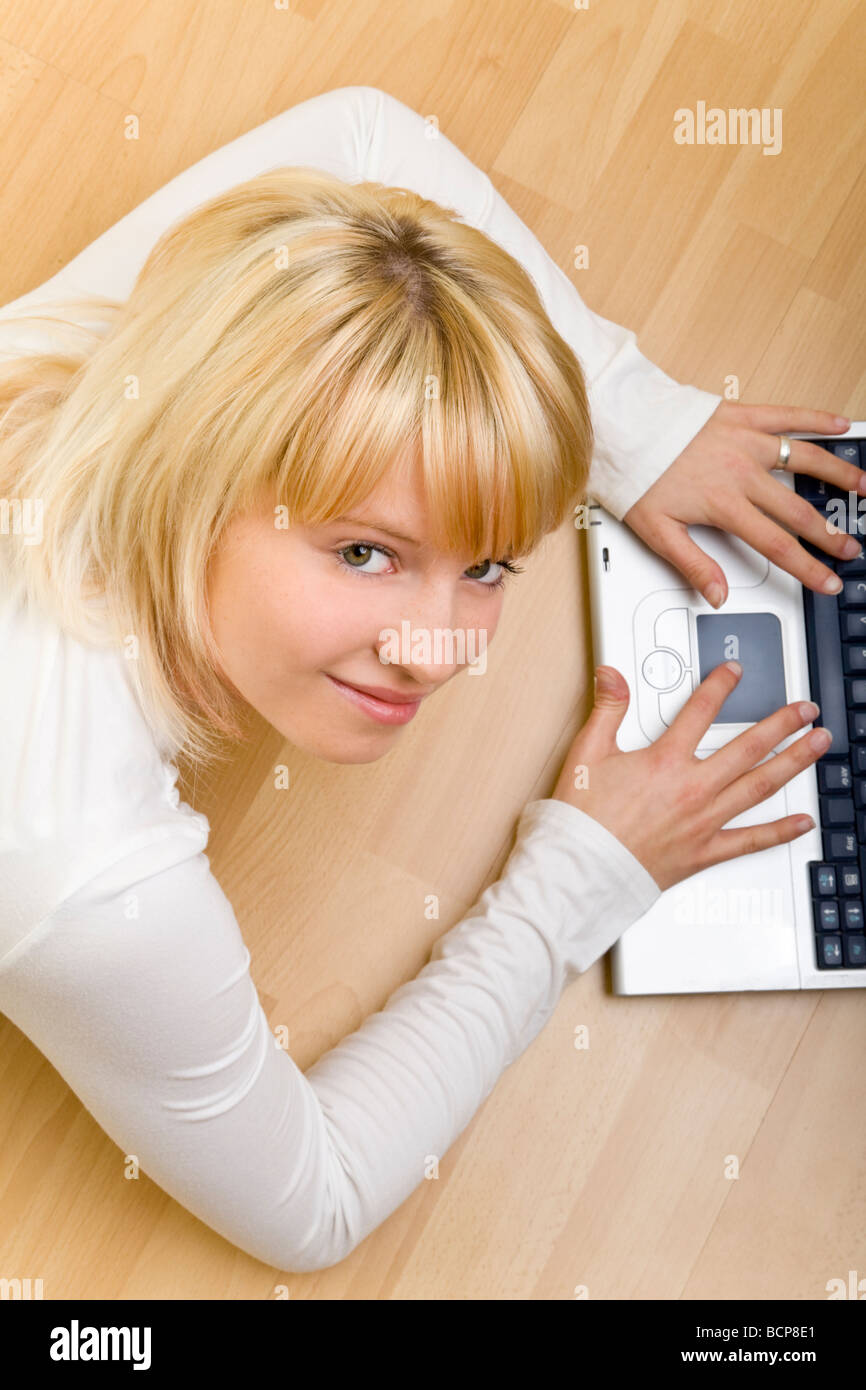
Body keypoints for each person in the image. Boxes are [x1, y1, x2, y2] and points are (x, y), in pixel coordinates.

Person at [0, 86, 854, 1273]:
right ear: (194, 466)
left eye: (489, 563)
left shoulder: (161, 335)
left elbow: (368, 141)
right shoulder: (80, 874)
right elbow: (313, 1205)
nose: (440, 646)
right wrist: (581, 874)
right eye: (364, 552)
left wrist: (640, 426)